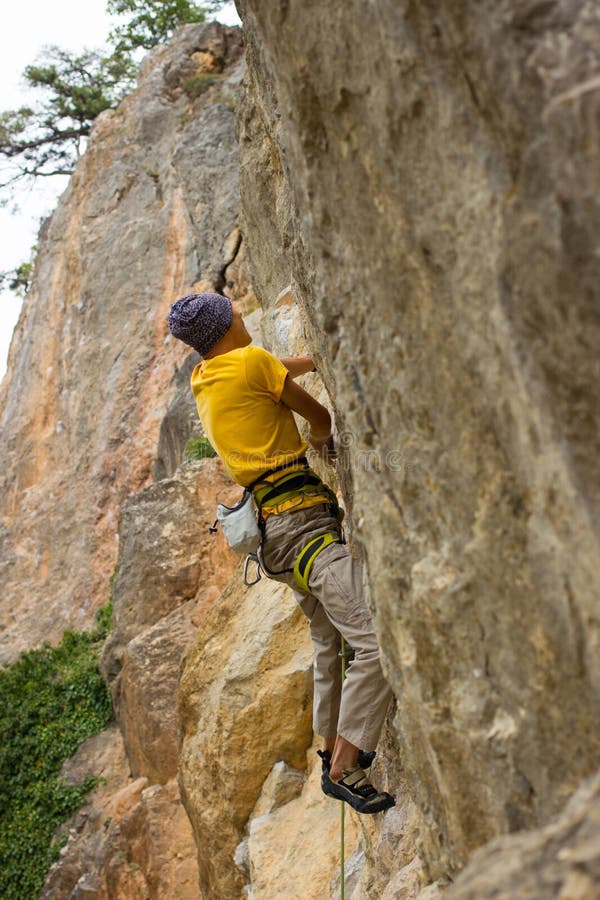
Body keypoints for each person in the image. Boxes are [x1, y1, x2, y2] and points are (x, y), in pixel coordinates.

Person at [168, 291, 394, 814]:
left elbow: (272, 369)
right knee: (374, 641)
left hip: (274, 540)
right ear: (226, 327)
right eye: (235, 313)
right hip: (303, 528)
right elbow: (316, 416)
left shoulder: (208, 376)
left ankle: (324, 742)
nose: (243, 315)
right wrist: (321, 437)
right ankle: (344, 763)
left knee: (327, 639)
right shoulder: (251, 362)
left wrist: (315, 359)